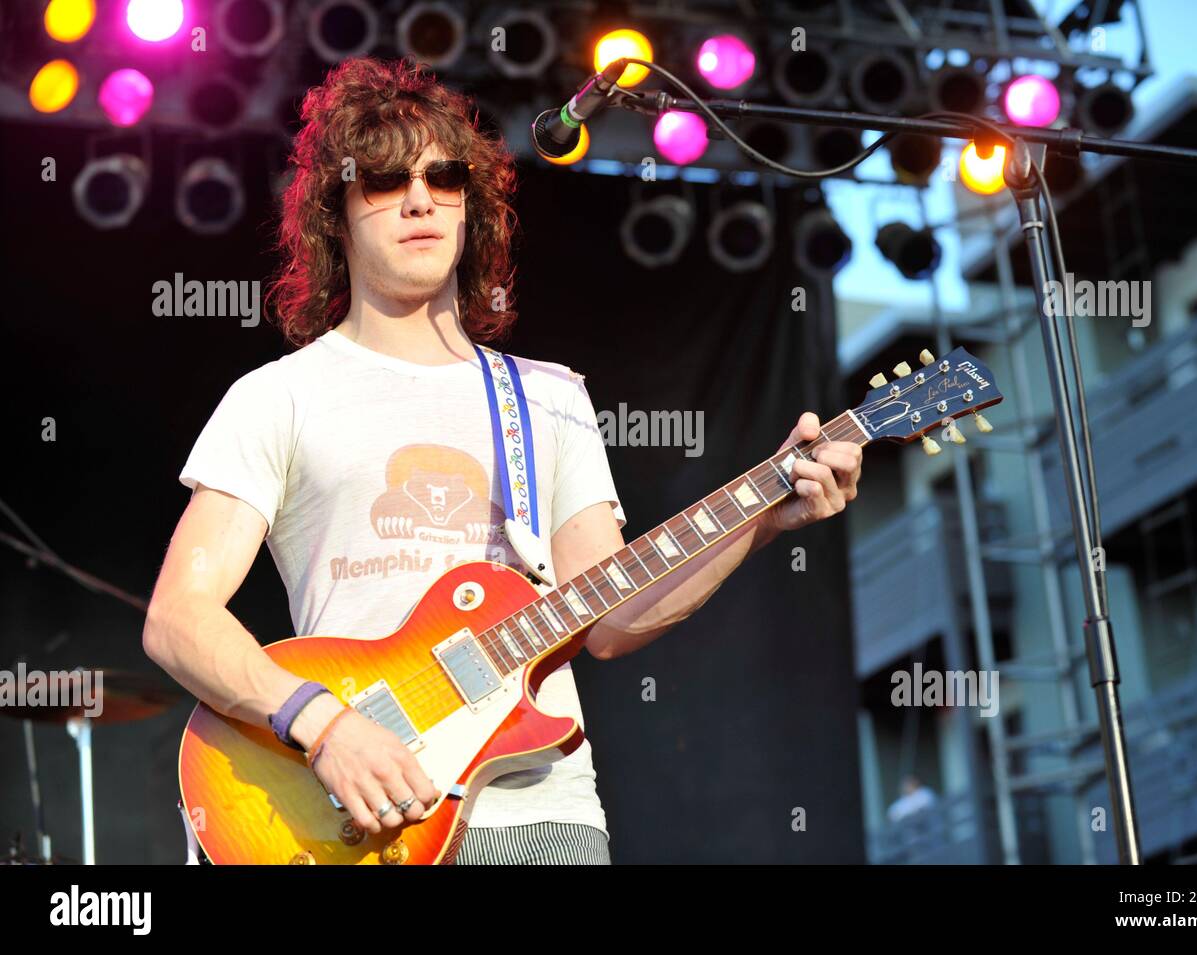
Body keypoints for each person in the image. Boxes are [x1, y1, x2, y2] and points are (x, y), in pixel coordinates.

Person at [142, 56, 863, 865]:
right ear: (335, 217)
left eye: (443, 176)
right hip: (357, 818)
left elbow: (613, 616)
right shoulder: (279, 396)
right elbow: (179, 618)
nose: (419, 198)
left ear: (469, 206)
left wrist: (766, 512)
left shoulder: (548, 398)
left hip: (542, 820)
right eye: (381, 178)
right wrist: (326, 724)